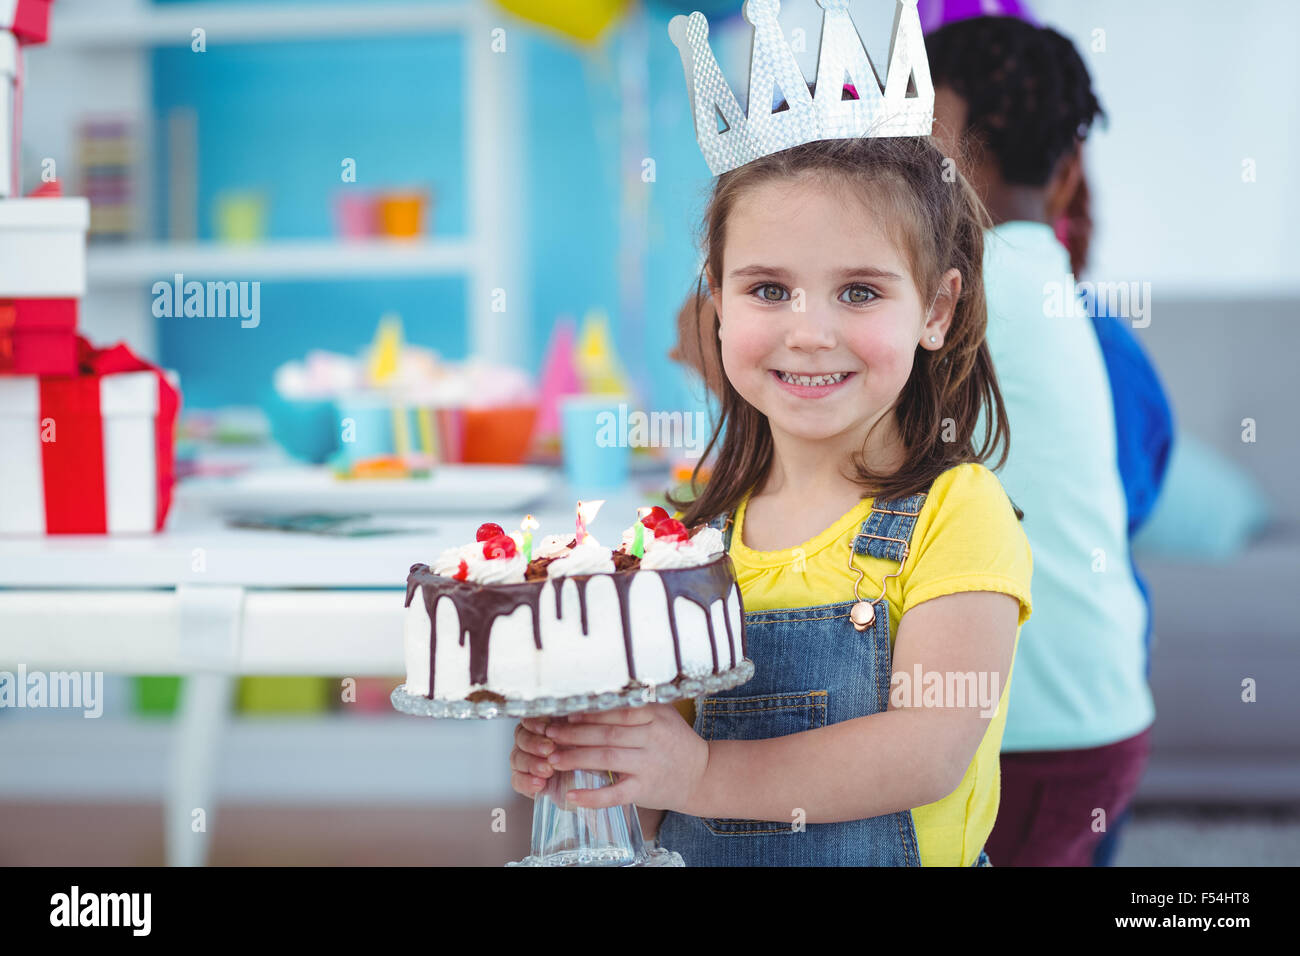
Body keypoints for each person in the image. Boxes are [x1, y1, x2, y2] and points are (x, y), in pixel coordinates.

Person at [509, 114, 1034, 861]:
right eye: (768, 289)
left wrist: (700, 771)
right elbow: (661, 798)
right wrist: (601, 763)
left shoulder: (958, 511)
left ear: (937, 309)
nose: (810, 331)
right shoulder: (689, 538)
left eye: (857, 291)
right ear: (718, 302)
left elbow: (929, 747)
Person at [926, 15, 1155, 866]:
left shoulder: (964, 286)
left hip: (1028, 731)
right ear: (1063, 170)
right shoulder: (1041, 271)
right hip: (1099, 709)